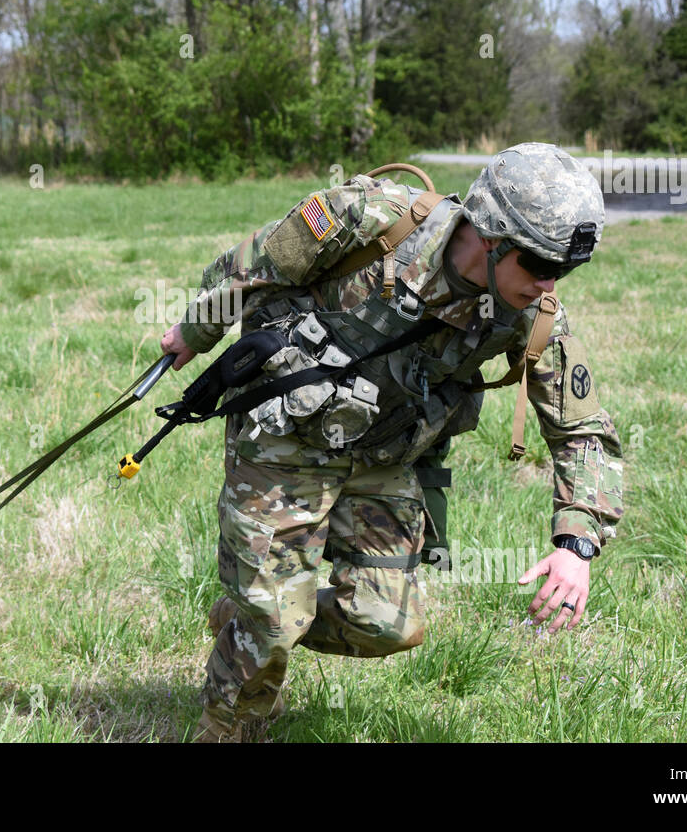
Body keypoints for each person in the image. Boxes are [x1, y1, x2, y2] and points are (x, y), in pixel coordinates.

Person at [159, 143, 625, 742]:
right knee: (275, 621)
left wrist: (576, 543)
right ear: (491, 236)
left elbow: (581, 429)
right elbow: (256, 265)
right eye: (536, 263)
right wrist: (194, 331)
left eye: (562, 270)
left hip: (382, 455)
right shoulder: (372, 219)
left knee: (386, 624)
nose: (546, 284)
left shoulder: (532, 316)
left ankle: (250, 618)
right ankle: (232, 714)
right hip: (288, 438)